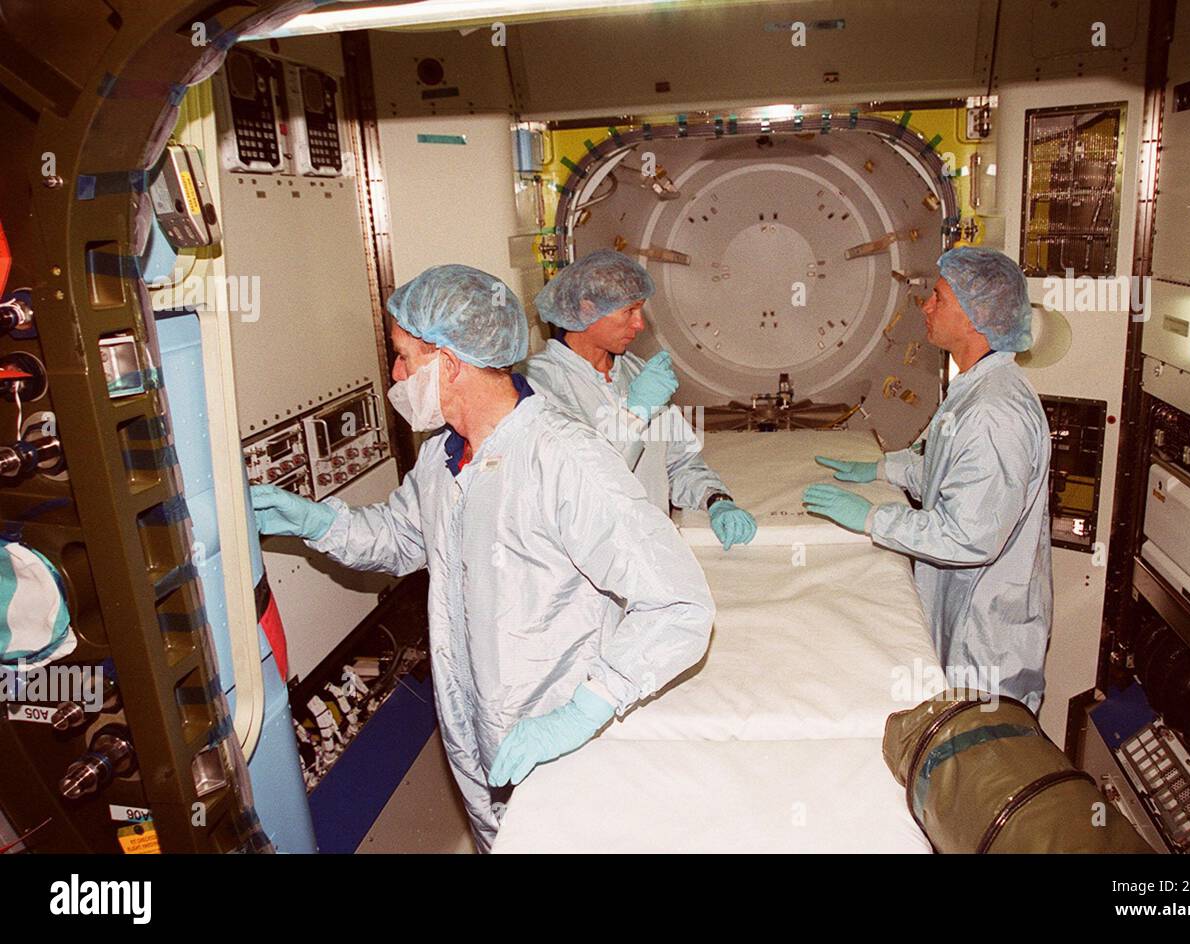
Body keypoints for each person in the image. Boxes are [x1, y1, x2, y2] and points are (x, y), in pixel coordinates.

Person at [250, 264, 715, 850]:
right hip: (472, 727)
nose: (394, 376)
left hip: (555, 737)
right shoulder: (444, 454)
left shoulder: (561, 461)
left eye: (402, 357)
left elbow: (679, 604)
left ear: (449, 362)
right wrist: (317, 522)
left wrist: (582, 712)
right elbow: (401, 537)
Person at [802, 247, 1052, 712]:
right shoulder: (976, 385)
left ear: (976, 317)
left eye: (938, 298)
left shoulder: (993, 413)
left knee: (980, 765)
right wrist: (882, 469)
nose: (926, 307)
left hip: (986, 643)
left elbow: (969, 536)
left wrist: (874, 518)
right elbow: (948, 470)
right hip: (961, 614)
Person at [522, 249, 758, 550]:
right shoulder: (540, 384)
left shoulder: (636, 372)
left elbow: (680, 462)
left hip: (651, 547)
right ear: (585, 309)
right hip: (590, 558)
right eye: (629, 312)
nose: (639, 325)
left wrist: (715, 499)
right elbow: (587, 483)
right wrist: (635, 413)